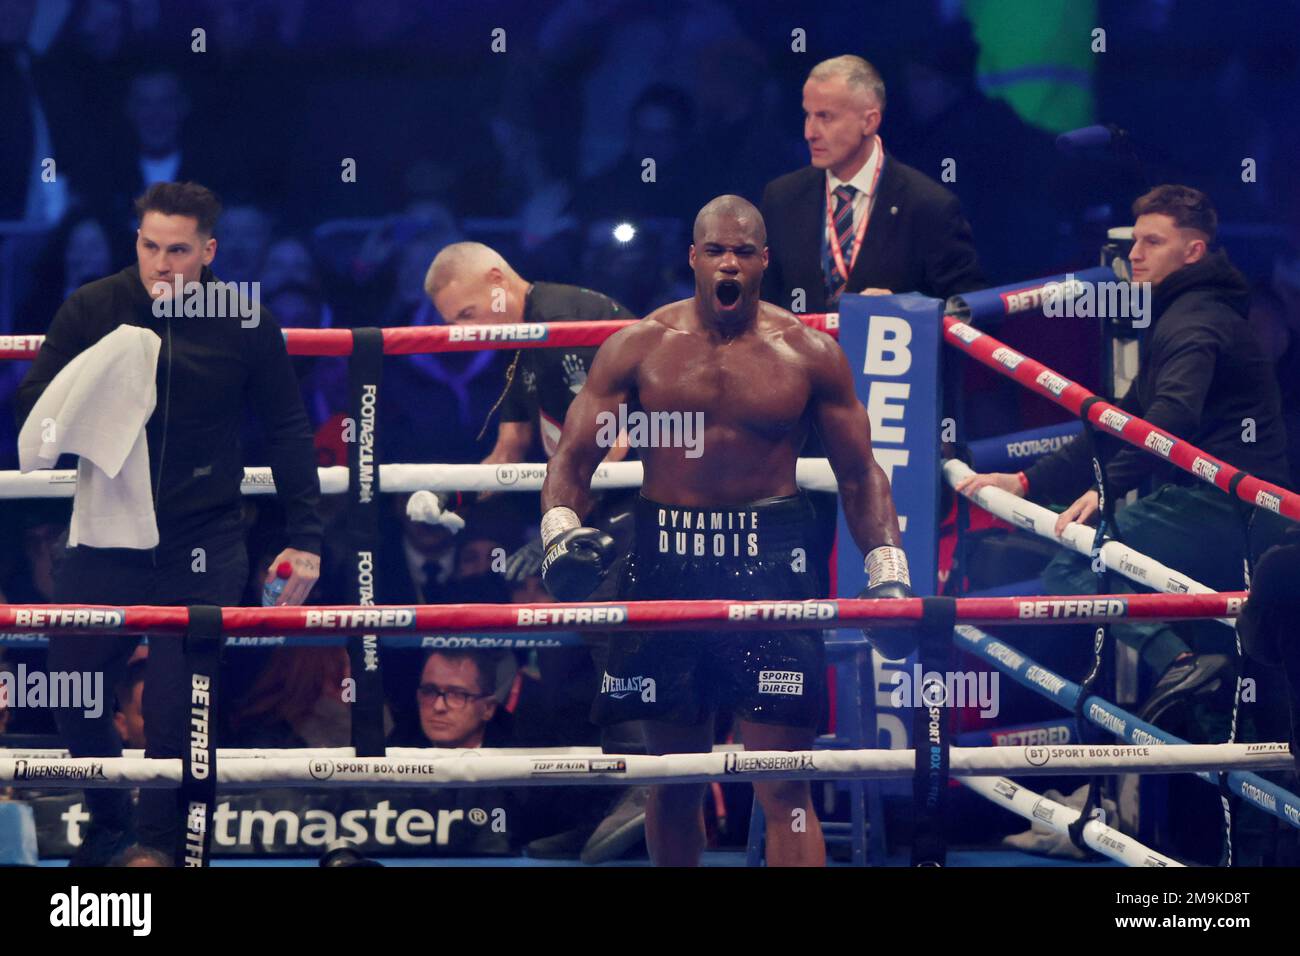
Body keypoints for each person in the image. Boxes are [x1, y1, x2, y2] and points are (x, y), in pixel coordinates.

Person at [539, 195, 914, 867]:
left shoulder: (809, 353)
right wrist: (561, 533)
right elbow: (572, 459)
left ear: (764, 262)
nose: (729, 263)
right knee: (674, 782)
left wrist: (889, 571)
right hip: (666, 562)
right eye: (716, 250)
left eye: (743, 251)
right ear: (693, 257)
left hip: (769, 561)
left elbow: (860, 475)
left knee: (784, 786)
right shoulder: (638, 347)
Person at [13, 181, 323, 865]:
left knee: (178, 710)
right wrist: (104, 373)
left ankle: (162, 849)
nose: (162, 264)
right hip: (102, 536)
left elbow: (288, 428)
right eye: (150, 247)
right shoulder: (94, 307)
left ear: (208, 250)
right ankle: (106, 823)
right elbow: (33, 412)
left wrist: (305, 538)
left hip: (203, 541)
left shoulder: (243, 320)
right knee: (74, 692)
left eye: (179, 250)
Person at [957, 185, 1292, 725]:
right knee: (1227, 679)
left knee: (1075, 562)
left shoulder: (1195, 320)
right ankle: (1207, 696)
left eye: (1152, 241)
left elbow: (1170, 420)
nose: (1133, 254)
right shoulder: (1187, 312)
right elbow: (1118, 421)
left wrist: (1104, 488)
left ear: (1193, 252)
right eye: (1134, 240)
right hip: (1239, 514)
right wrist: (1027, 480)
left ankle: (1177, 661)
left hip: (1225, 508)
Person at [760, 54, 984, 314]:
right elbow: (762, 307)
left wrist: (906, 307)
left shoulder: (929, 206)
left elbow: (970, 310)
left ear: (869, 121)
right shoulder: (782, 198)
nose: (809, 132)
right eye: (808, 116)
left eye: (825, 117)